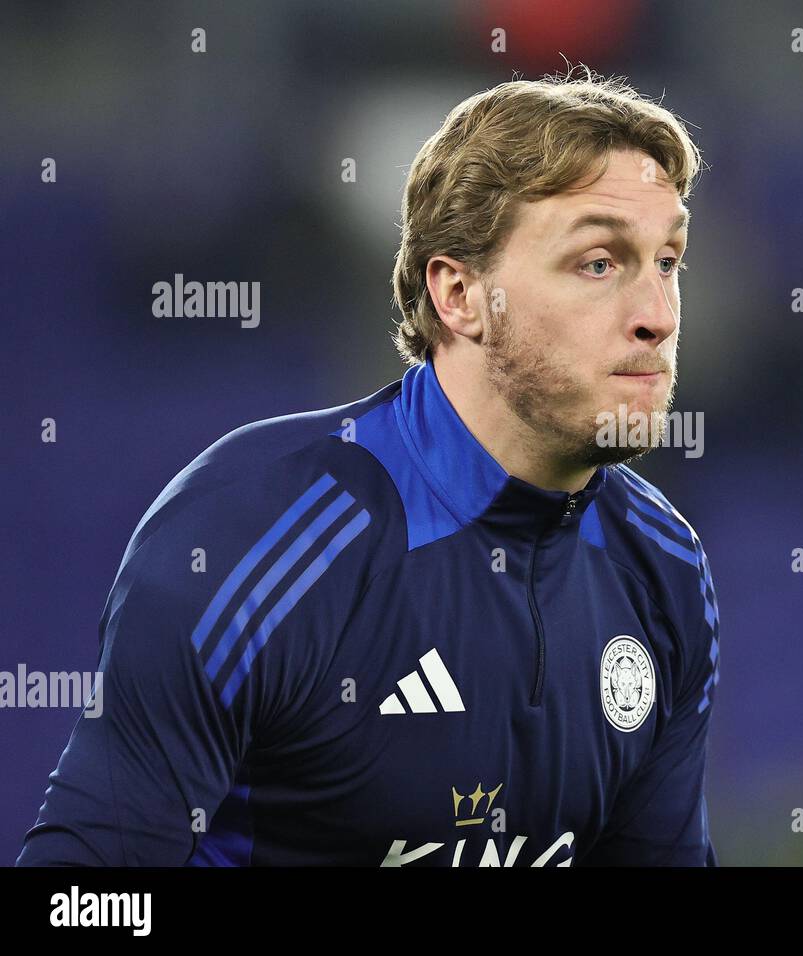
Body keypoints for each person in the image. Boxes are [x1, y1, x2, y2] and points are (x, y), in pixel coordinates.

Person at [16, 67, 720, 867]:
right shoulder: (250, 534)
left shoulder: (663, 567)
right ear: (458, 295)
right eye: (599, 263)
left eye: (667, 261)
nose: (658, 317)